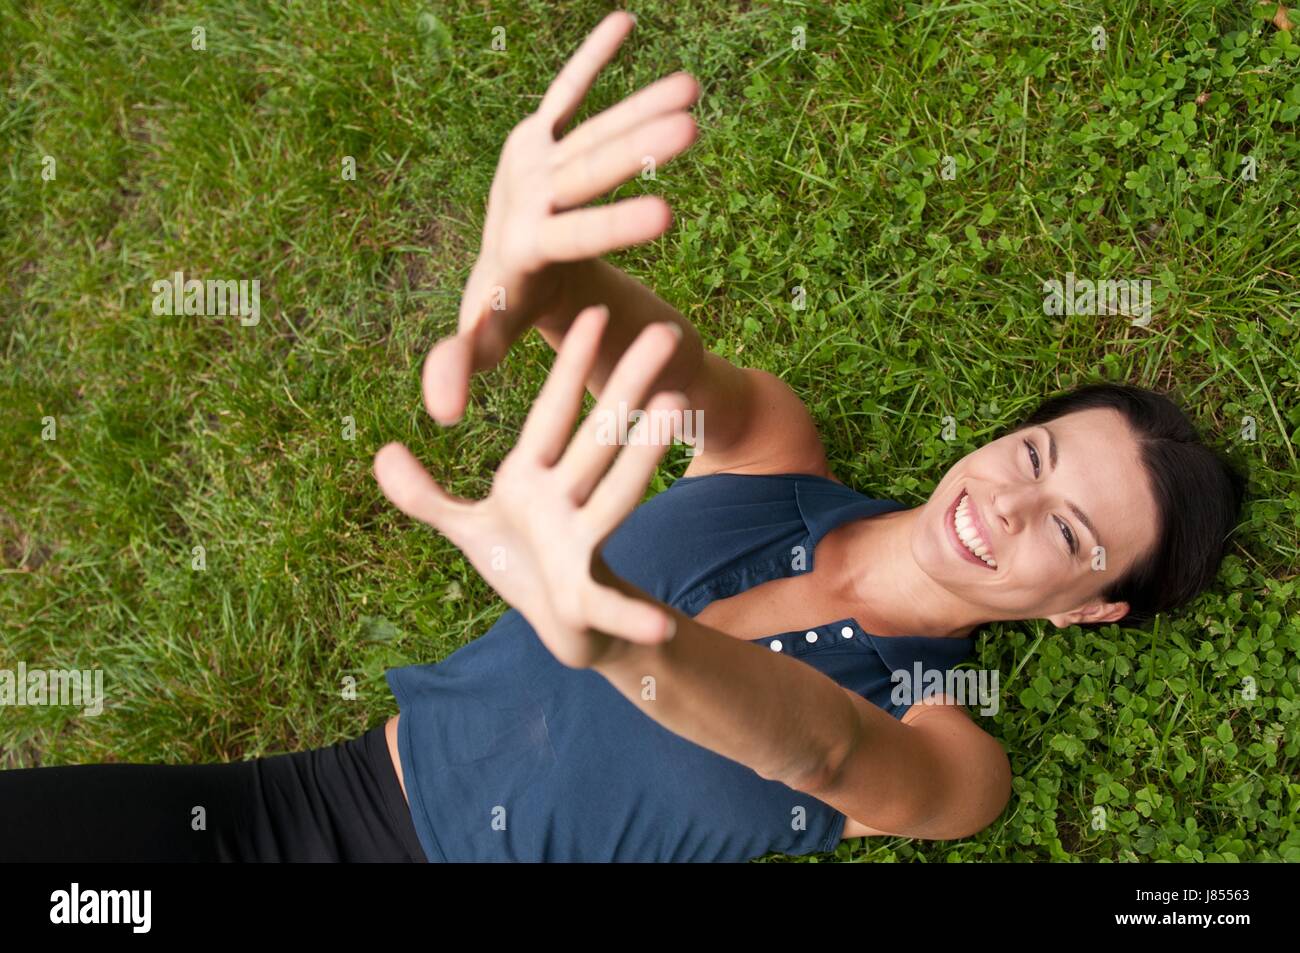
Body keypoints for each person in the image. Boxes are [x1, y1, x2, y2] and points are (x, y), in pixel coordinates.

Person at [0, 12, 1245, 863]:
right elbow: (657, 364)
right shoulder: (774, 459)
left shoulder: (952, 745)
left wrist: (613, 642)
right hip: (300, 804)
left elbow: (823, 745)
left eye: (1070, 532)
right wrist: (532, 276)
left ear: (1088, 607)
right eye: (1035, 458)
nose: (1013, 507)